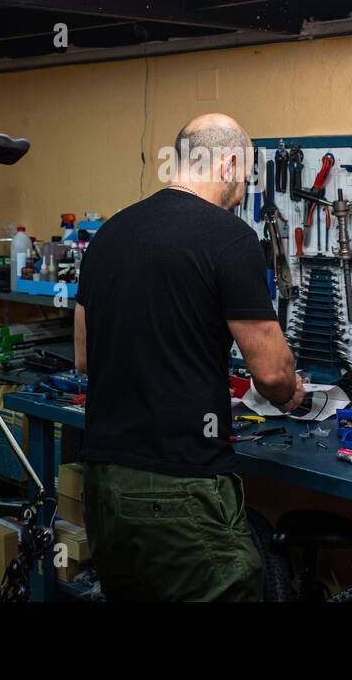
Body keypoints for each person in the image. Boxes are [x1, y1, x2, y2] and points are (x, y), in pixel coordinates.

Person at [73, 112, 303, 601]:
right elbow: (271, 374)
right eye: (247, 171)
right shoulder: (230, 238)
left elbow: (84, 358)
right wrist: (292, 390)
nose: (245, 184)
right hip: (179, 488)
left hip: (104, 485)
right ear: (230, 163)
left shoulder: (110, 234)